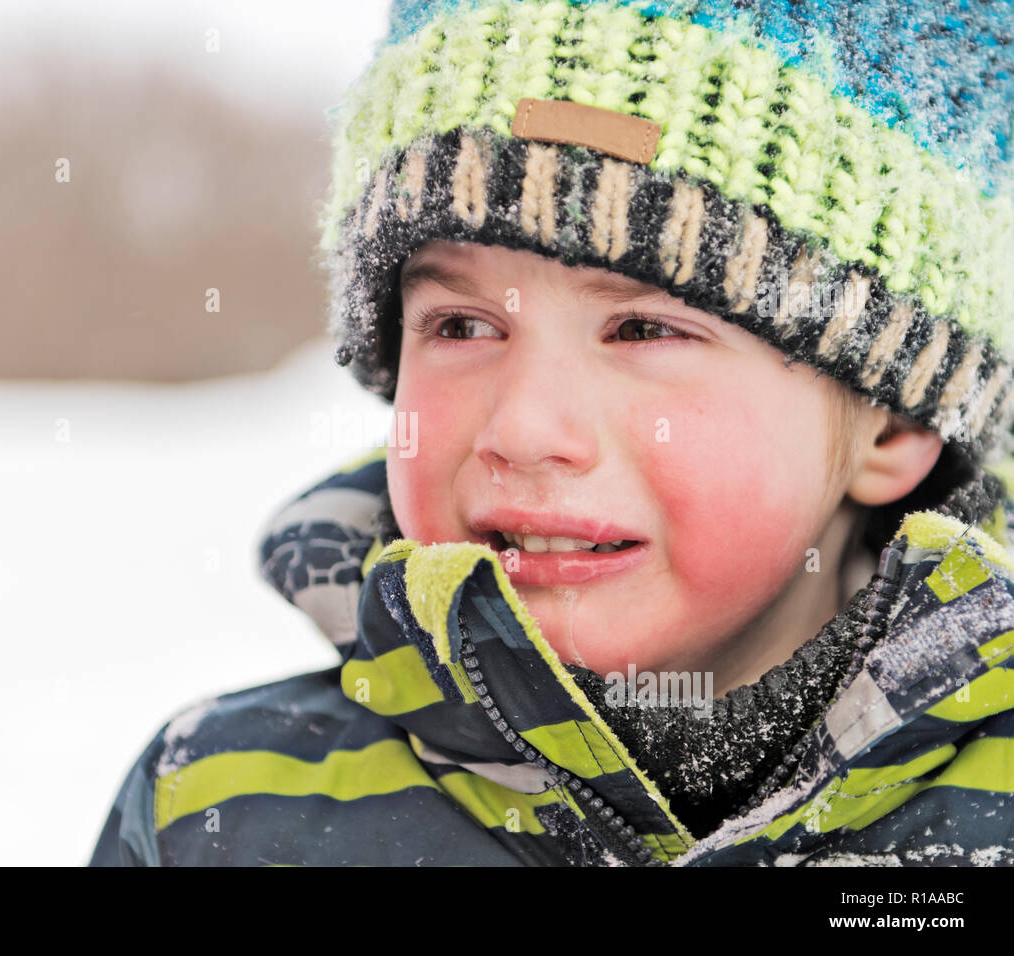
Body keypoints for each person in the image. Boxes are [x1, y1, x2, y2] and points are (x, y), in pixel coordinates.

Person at [90, 0, 1014, 865]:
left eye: (645, 329)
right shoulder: (219, 809)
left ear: (894, 424)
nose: (524, 429)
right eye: (461, 326)